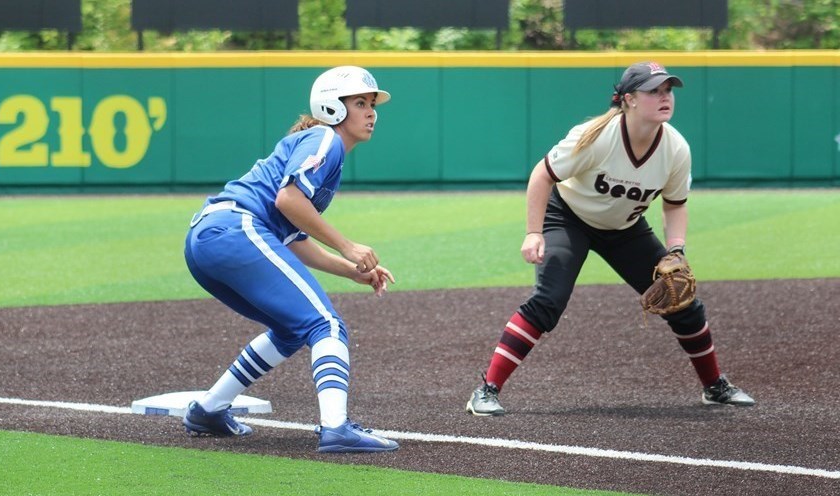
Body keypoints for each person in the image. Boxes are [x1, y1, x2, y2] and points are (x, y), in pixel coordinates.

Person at [466, 61, 755, 416]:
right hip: (568, 219)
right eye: (654, 91)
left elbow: (675, 204)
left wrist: (676, 250)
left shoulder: (676, 148)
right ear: (629, 99)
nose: (665, 97)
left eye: (668, 90)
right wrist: (533, 232)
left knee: (683, 304)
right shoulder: (596, 137)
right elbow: (543, 175)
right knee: (548, 301)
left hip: (625, 229)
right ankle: (486, 389)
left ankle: (714, 387)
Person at [182, 66, 399, 453]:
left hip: (210, 239)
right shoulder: (326, 139)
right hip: (234, 229)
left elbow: (292, 238)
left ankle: (209, 409)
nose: (371, 113)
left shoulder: (321, 147)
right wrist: (347, 246)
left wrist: (351, 271)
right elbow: (288, 201)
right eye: (360, 103)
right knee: (326, 325)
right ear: (333, 108)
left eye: (372, 105)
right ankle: (336, 428)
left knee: (291, 330)